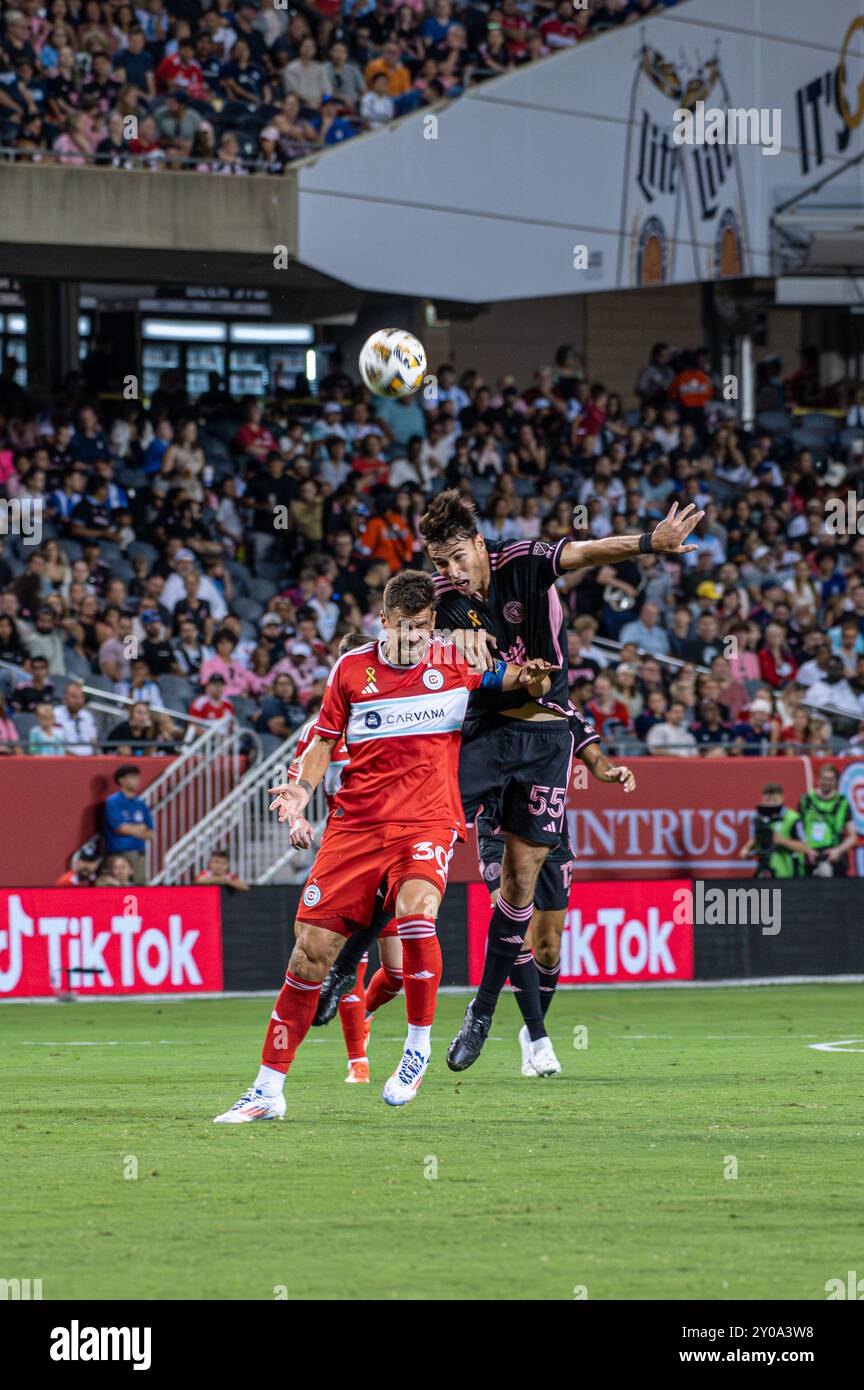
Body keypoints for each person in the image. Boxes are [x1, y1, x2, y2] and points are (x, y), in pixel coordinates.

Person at [213, 568, 555, 1121]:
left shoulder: (455, 659)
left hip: (427, 821)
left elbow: (518, 681)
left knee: (418, 913)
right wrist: (300, 792)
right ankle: (267, 1089)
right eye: (405, 626)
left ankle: (415, 1050)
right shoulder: (350, 669)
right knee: (310, 956)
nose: (416, 637)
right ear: (383, 621)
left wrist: (536, 679)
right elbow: (323, 740)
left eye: (424, 626)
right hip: (356, 827)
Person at [417, 490, 702, 1072]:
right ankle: (348, 963)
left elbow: (587, 551)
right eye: (439, 563)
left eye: (455, 558)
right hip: (482, 733)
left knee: (526, 897)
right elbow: (402, 624)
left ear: (479, 545)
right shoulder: (443, 595)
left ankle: (487, 1013)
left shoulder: (519, 559)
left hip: (546, 736)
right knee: (421, 829)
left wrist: (650, 542)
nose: (449, 573)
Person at [477, 718, 636, 1077]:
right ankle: (539, 1038)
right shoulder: (495, 703)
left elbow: (595, 758)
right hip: (498, 830)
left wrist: (610, 773)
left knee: (549, 947)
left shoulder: (563, 713)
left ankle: (530, 1032)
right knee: (519, 933)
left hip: (550, 829)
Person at [796, 764, 856, 877]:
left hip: (833, 856)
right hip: (809, 856)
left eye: (830, 779)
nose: (827, 782)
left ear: (836, 782)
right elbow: (797, 830)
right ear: (818, 779)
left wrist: (838, 851)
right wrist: (805, 849)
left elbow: (853, 837)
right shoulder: (806, 800)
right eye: (824, 779)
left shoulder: (842, 803)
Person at [738, 782, 808, 879]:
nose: (771, 804)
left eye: (774, 800)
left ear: (782, 798)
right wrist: (746, 850)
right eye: (768, 800)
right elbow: (755, 840)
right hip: (765, 871)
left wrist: (781, 841)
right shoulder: (757, 817)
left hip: (789, 872)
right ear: (762, 798)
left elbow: (803, 847)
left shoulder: (793, 818)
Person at [102, 763, 155, 884]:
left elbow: (151, 833)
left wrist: (133, 829)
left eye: (137, 777)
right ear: (121, 780)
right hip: (120, 856)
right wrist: (140, 828)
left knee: (141, 889)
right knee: (118, 888)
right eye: (132, 777)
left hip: (140, 856)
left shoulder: (140, 804)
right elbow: (120, 828)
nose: (136, 780)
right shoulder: (113, 802)